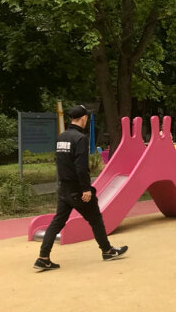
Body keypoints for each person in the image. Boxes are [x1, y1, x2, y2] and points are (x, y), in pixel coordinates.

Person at [33, 105, 128, 271]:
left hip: (64, 187)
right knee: (95, 219)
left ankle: (43, 257)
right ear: (83, 118)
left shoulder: (62, 137)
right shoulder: (80, 138)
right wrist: (86, 189)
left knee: (57, 222)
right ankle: (107, 250)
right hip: (77, 188)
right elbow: (81, 167)